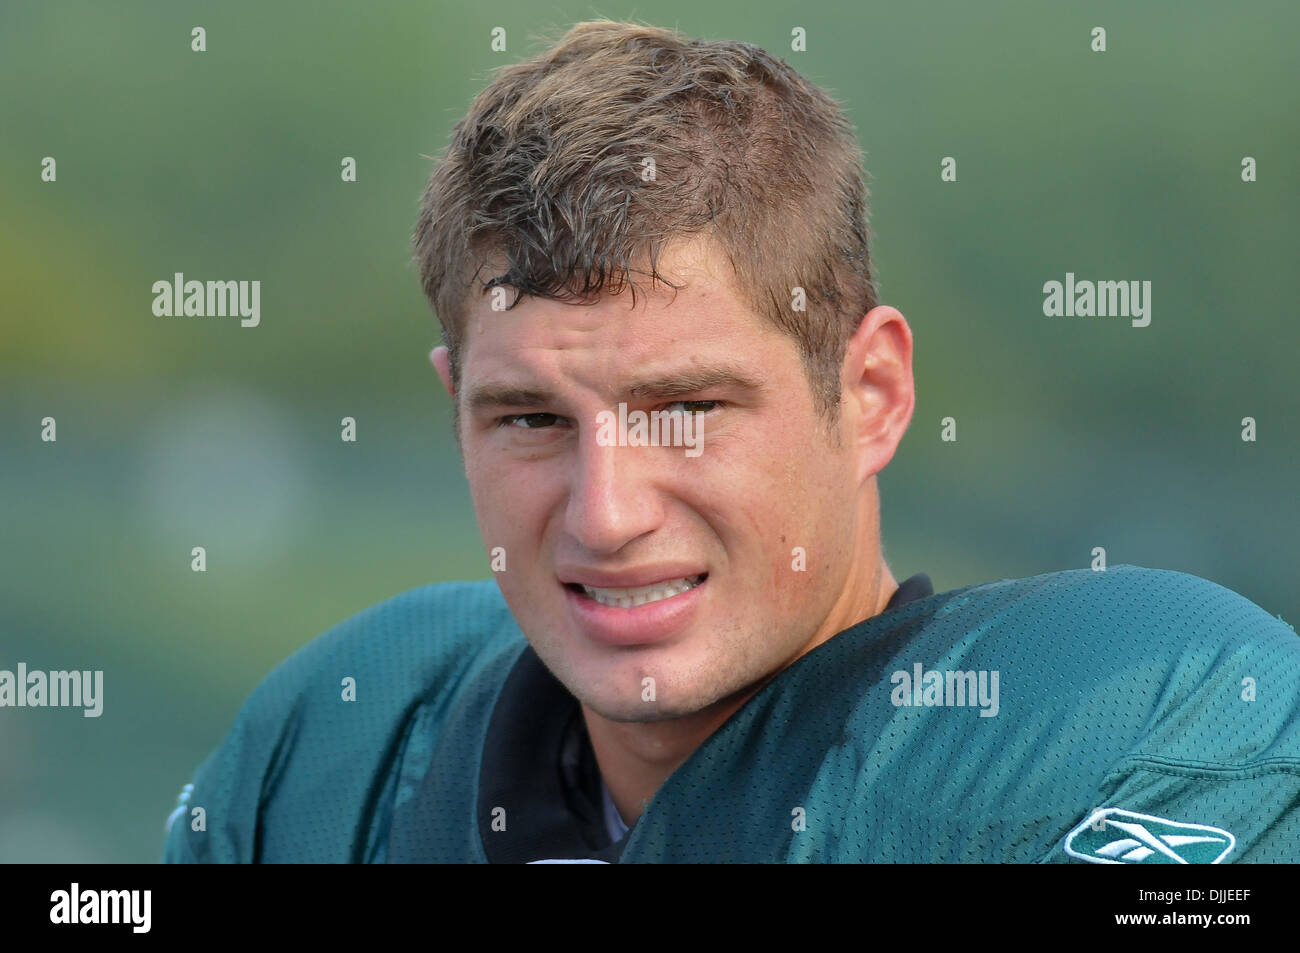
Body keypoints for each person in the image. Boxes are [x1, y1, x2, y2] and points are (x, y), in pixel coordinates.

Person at [162, 20, 1300, 864]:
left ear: (870, 394)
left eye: (689, 409)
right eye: (530, 419)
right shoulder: (347, 758)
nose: (608, 513)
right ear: (454, 401)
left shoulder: (1136, 731)